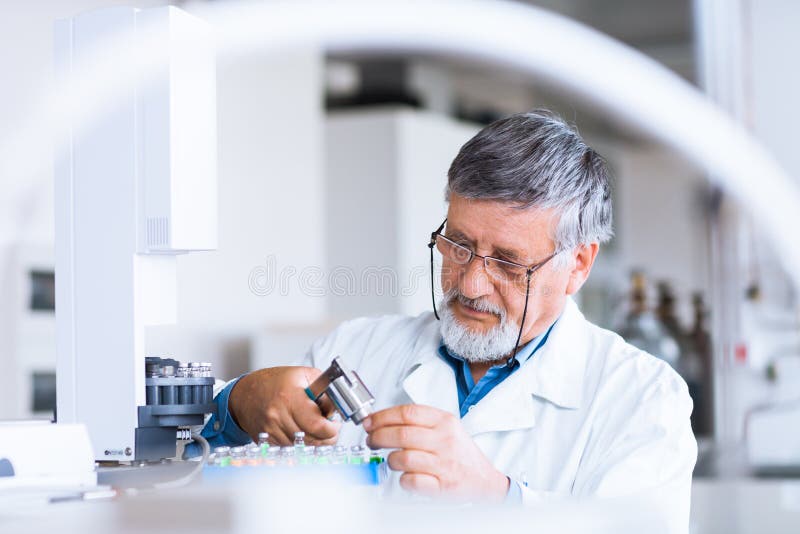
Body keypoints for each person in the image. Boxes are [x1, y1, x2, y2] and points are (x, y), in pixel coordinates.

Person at [194, 109, 696, 523]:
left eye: (507, 262)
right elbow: (209, 494)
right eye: (457, 245)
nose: (471, 284)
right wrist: (238, 407)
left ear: (579, 264)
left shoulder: (642, 399)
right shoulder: (354, 349)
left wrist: (496, 496)